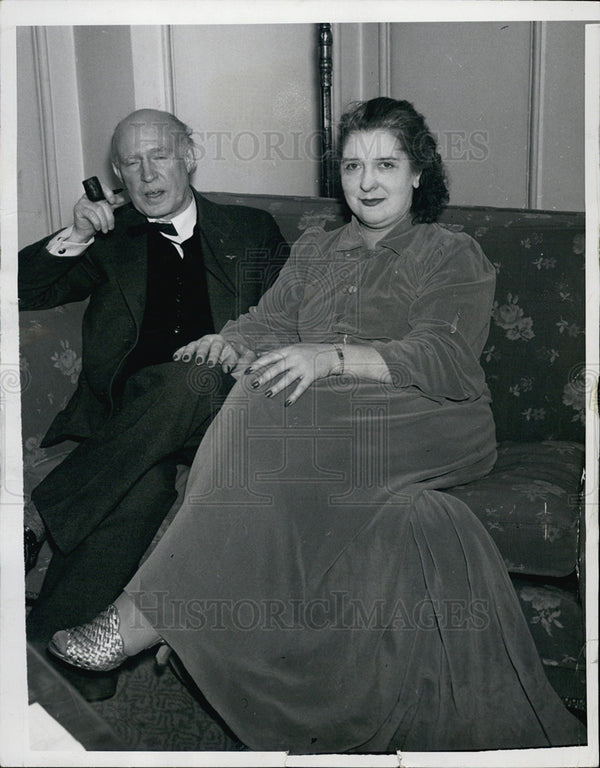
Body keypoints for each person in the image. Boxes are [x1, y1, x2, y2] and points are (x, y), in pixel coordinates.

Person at [47, 98, 585, 752]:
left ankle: (149, 613)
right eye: (354, 165)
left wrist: (328, 356)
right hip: (332, 411)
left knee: (280, 392)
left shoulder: (452, 252)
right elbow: (270, 324)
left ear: (419, 172)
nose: (366, 181)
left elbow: (444, 356)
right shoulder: (316, 250)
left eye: (386, 164)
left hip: (427, 411)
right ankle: (179, 614)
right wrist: (228, 339)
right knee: (256, 388)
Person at [19, 109, 287, 698]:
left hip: (224, 410)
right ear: (116, 173)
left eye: (159, 155)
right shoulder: (113, 238)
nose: (147, 173)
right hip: (130, 422)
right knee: (141, 483)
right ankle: (52, 678)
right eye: (131, 163)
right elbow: (23, 286)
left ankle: (37, 514)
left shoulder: (251, 229)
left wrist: (249, 347)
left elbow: (295, 313)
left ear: (188, 155)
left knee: (195, 379)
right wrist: (79, 236)